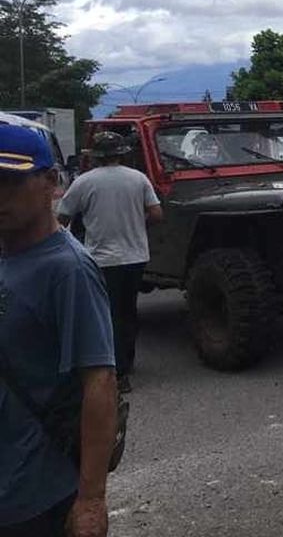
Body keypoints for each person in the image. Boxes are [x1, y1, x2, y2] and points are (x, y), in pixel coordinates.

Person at [0, 124, 117, 537]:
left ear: (52, 182)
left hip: (34, 490)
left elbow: (99, 381)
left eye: (9, 181)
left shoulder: (67, 270)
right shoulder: (8, 251)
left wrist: (90, 500)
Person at [57, 132, 163, 394]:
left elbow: (62, 217)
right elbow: (157, 214)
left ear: (95, 156)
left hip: (102, 259)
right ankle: (127, 359)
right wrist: (137, 226)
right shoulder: (138, 178)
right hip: (136, 256)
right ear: (121, 153)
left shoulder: (85, 181)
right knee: (128, 310)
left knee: (108, 314)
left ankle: (117, 371)